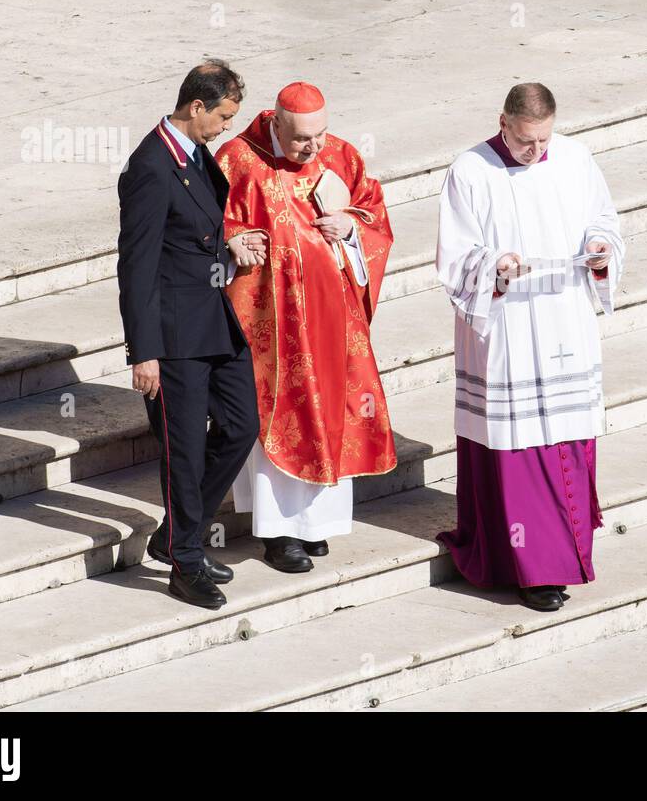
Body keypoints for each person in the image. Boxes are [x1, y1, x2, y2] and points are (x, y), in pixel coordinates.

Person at [435, 82, 625, 611]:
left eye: (542, 140)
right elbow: (455, 256)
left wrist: (599, 248)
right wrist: (493, 266)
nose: (535, 152)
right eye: (524, 142)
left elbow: (603, 221)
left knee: (567, 439)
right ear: (503, 121)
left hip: (564, 321)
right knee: (520, 453)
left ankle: (568, 551)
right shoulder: (471, 171)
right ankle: (535, 567)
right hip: (509, 328)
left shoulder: (576, 158)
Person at [215, 81, 397, 574]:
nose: (313, 148)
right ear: (274, 123)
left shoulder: (341, 154)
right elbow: (211, 221)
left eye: (319, 136)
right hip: (272, 321)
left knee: (331, 412)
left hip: (334, 321)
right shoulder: (239, 159)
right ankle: (278, 534)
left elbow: (374, 214)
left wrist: (353, 227)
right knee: (282, 415)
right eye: (300, 139)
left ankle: (317, 527)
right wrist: (232, 242)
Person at [117, 59, 262, 610]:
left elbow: (195, 233)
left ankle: (176, 533)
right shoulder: (152, 166)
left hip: (211, 317)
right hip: (174, 333)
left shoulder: (196, 152)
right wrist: (144, 351)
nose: (227, 125)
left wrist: (230, 248)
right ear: (196, 106)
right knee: (183, 447)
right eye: (223, 115)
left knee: (241, 423)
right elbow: (137, 264)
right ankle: (185, 560)